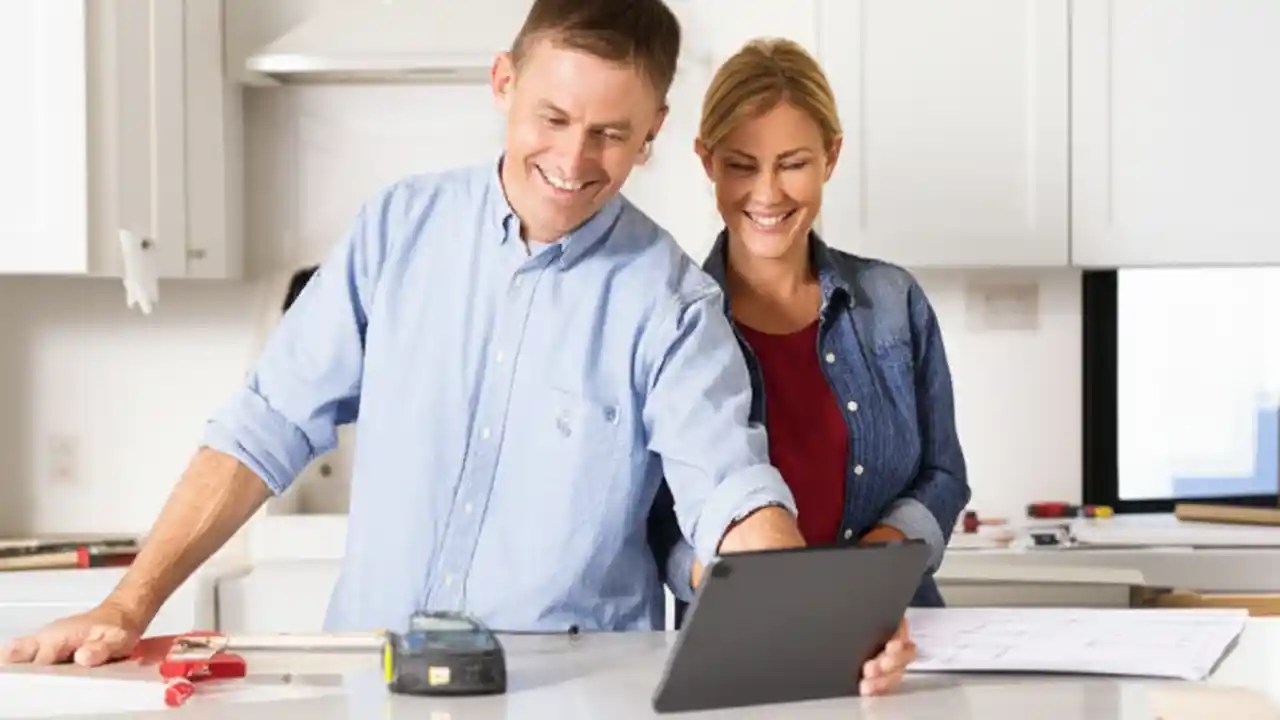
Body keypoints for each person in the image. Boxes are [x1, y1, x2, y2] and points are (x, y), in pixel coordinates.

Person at [1, 3, 913, 693]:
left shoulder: (673, 302)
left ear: (653, 136)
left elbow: (728, 495)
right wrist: (128, 605)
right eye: (553, 117)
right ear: (503, 83)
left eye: (610, 134)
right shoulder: (397, 229)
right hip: (371, 684)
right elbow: (263, 427)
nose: (574, 157)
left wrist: (815, 625)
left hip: (568, 694)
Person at [649, 35, 969, 679]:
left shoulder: (893, 302)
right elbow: (652, 514)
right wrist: (706, 571)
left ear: (832, 156)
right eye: (741, 165)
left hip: (896, 640)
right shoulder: (671, 320)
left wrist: (868, 578)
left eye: (793, 163)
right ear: (705, 160)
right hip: (742, 645)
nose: (766, 193)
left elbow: (943, 475)